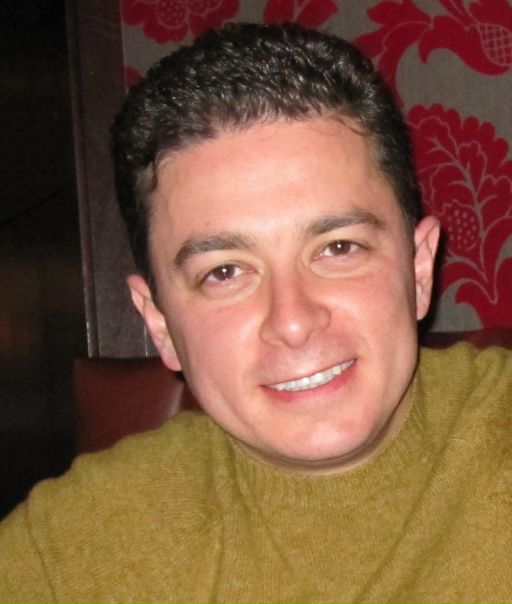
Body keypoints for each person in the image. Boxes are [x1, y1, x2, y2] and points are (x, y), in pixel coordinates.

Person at [0, 22, 510, 604]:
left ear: (418, 271)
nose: (292, 321)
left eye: (338, 248)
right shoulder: (71, 551)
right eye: (225, 272)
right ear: (159, 323)